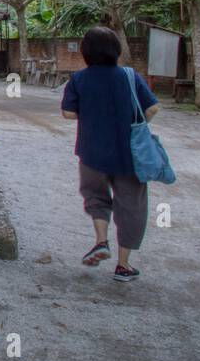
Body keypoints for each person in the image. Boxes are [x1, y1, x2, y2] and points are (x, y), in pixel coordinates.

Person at [60, 26, 159, 282]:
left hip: (92, 151)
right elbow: (152, 109)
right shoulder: (129, 76)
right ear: (116, 49)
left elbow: (68, 113)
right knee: (132, 205)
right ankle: (123, 265)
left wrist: (93, 114)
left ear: (85, 51)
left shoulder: (79, 79)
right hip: (130, 154)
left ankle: (101, 241)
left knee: (95, 196)